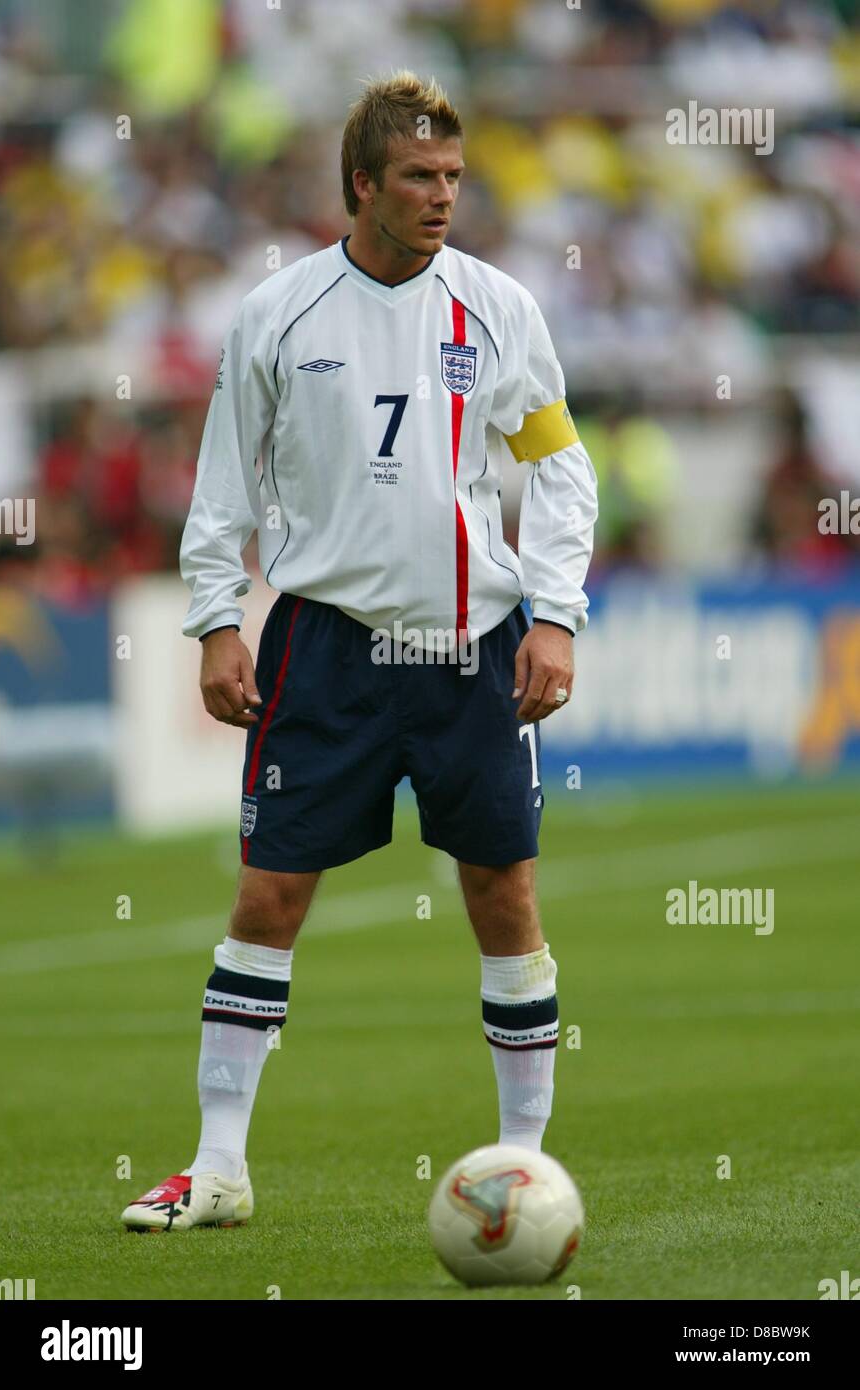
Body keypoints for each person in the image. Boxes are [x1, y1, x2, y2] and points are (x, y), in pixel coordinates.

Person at [121, 71, 597, 1232]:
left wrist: (552, 610)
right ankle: (219, 1168)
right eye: (418, 179)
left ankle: (520, 1173)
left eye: (453, 178)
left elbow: (558, 467)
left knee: (503, 893)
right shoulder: (277, 313)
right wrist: (214, 619)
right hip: (323, 647)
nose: (442, 198)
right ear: (360, 186)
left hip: (469, 649)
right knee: (268, 893)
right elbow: (222, 486)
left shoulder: (497, 309)